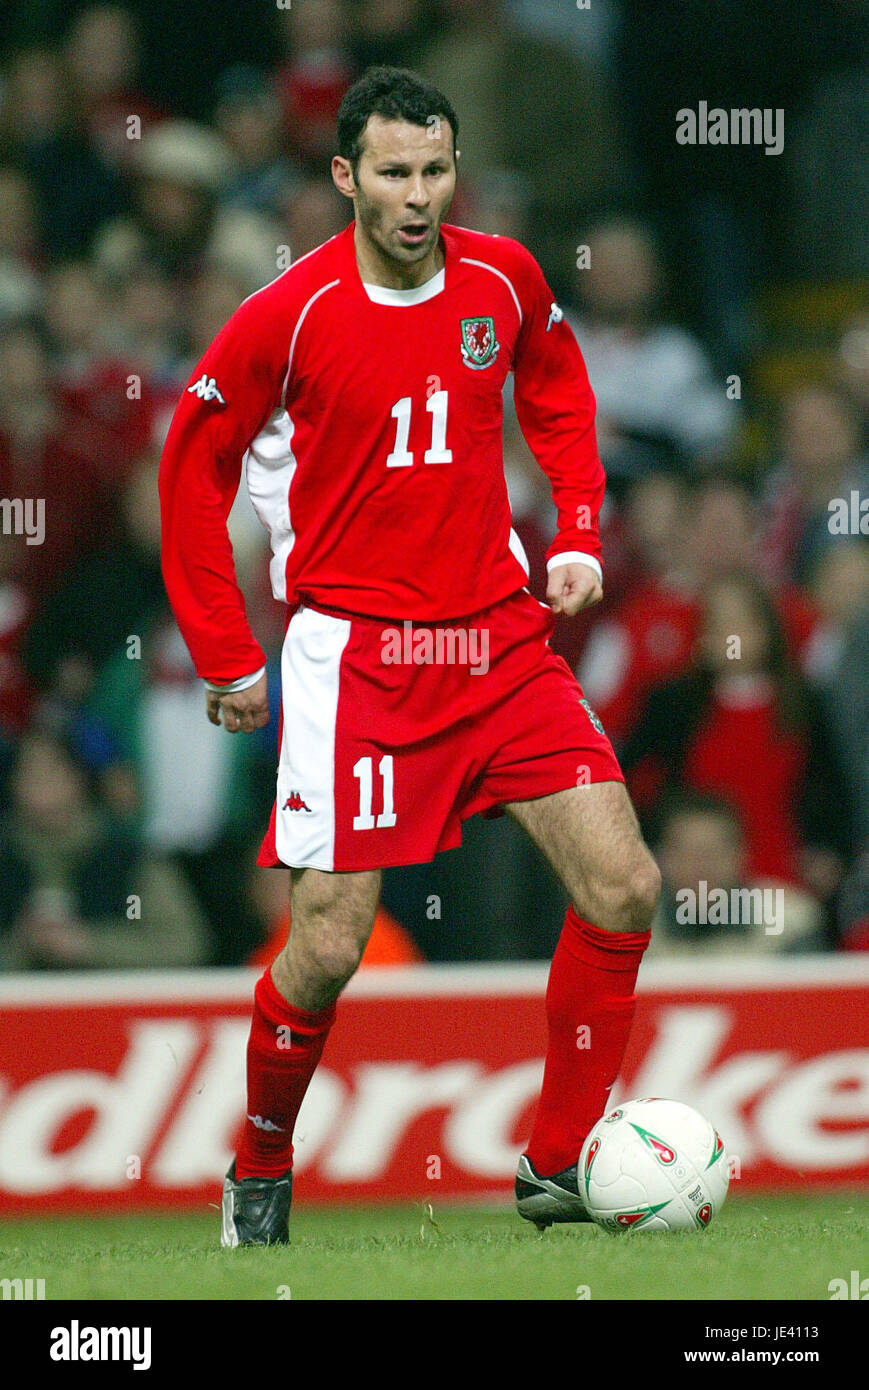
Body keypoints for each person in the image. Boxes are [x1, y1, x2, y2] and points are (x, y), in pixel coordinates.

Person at [159, 66, 660, 1247]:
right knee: (329, 946)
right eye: (393, 172)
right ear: (345, 177)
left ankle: (553, 1165)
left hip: (495, 639)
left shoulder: (502, 276)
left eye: (436, 170)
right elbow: (191, 462)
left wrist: (578, 529)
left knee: (624, 883)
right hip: (356, 662)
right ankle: (260, 1165)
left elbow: (553, 382)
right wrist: (228, 652)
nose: (419, 195)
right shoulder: (289, 314)